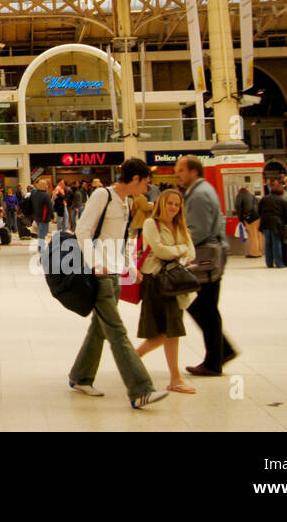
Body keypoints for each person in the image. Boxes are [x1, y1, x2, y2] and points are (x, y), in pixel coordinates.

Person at [67, 158, 167, 409]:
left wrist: (130, 268)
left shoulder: (126, 201)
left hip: (114, 274)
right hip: (100, 275)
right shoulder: (103, 195)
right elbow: (83, 231)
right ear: (135, 179)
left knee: (99, 329)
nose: (146, 188)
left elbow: (120, 241)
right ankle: (140, 389)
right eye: (145, 182)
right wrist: (94, 264)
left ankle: (80, 376)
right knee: (117, 332)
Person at [175, 155, 238, 377]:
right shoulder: (202, 190)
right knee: (206, 307)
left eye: (181, 170)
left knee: (202, 307)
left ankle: (215, 360)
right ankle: (222, 352)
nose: (177, 174)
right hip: (213, 256)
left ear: (194, 172)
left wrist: (176, 242)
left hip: (208, 258)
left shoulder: (199, 195)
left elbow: (197, 231)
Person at [135, 188, 196, 395]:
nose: (173, 207)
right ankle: (132, 359)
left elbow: (192, 253)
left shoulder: (180, 226)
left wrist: (178, 251)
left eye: (177, 204)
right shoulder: (152, 224)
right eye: (170, 203)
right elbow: (160, 250)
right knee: (163, 331)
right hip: (156, 281)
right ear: (162, 203)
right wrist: (180, 250)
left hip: (174, 284)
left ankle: (174, 377)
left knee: (173, 331)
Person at [257, 176, 287, 269]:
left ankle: (269, 263)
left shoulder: (264, 199)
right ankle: (279, 263)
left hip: (265, 222)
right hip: (276, 222)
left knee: (268, 243)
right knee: (276, 242)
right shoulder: (282, 200)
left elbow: (259, 211)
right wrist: (285, 222)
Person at [235, 177, 261, 259]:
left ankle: (255, 253)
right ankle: (259, 251)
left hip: (249, 217)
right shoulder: (251, 195)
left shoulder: (240, 196)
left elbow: (238, 207)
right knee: (258, 234)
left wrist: (240, 219)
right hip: (258, 216)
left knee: (253, 235)